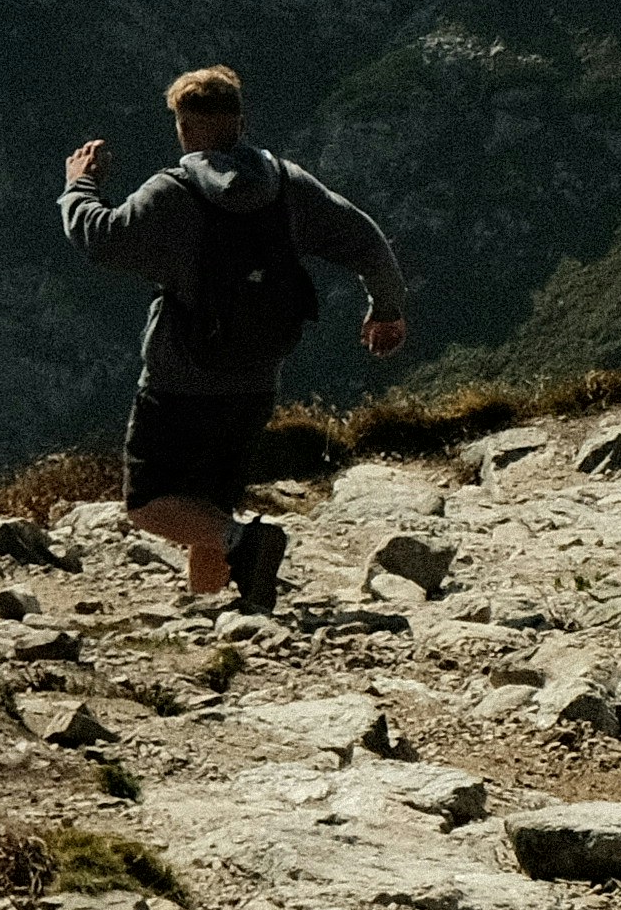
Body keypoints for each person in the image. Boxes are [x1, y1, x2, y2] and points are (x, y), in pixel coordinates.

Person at [60, 64, 411, 611]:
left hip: (180, 377)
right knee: (210, 502)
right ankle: (215, 613)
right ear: (240, 121)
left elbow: (101, 239)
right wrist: (385, 311)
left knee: (150, 502)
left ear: (183, 125)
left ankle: (246, 543)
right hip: (256, 376)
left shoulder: (172, 192)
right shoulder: (288, 187)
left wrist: (79, 184)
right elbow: (366, 240)